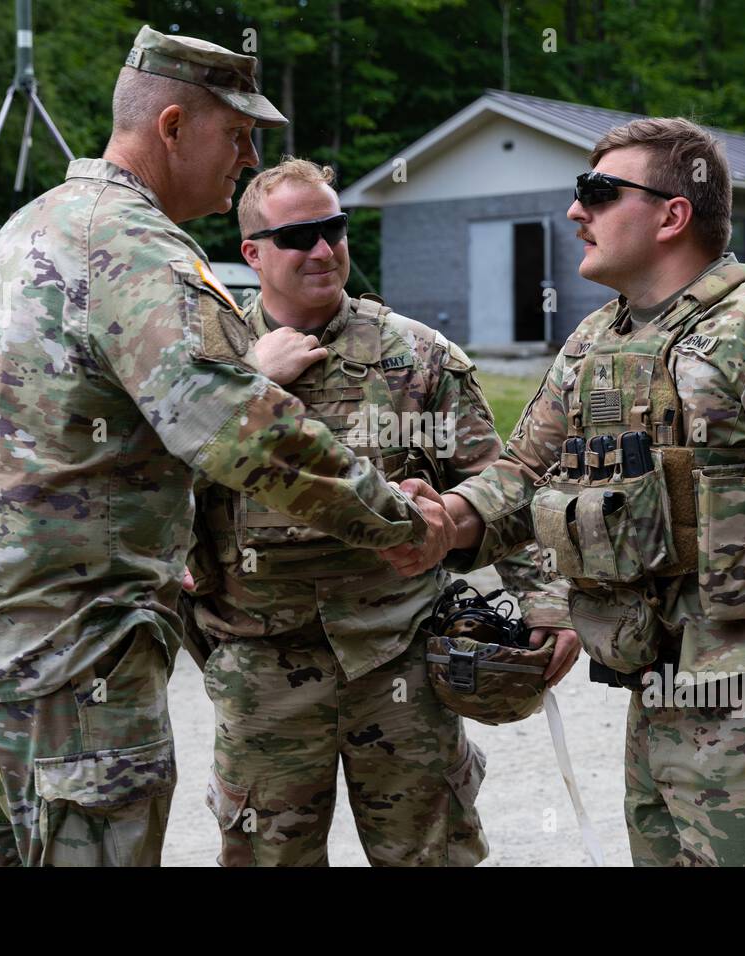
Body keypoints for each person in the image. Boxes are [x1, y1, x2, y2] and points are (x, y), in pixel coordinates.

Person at [0, 27, 451, 867]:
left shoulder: (27, 231)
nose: (246, 160)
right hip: (77, 661)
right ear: (171, 127)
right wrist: (399, 522)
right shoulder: (137, 249)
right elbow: (243, 436)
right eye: (236, 134)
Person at [430, 117, 745, 866]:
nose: (575, 211)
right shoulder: (597, 341)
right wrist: (450, 518)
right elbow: (527, 473)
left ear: (672, 214)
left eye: (597, 192)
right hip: (657, 703)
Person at [183, 157, 580, 866]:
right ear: (251, 254)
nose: (322, 249)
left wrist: (547, 602)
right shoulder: (204, 366)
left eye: (332, 228)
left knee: (428, 856)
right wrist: (245, 386)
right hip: (262, 670)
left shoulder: (417, 358)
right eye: (297, 235)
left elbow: (505, 488)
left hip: (399, 662)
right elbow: (150, 496)